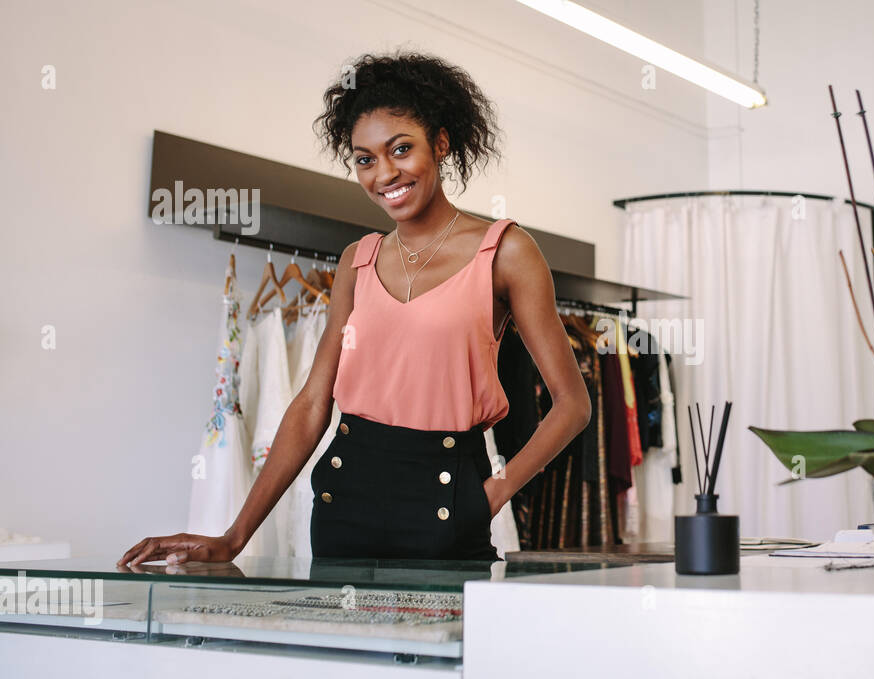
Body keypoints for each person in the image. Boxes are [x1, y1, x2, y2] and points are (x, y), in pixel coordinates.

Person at [120, 53, 590, 566]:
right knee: (341, 646)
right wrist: (235, 537)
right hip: (343, 500)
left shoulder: (505, 251)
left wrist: (491, 496)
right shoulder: (356, 261)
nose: (384, 173)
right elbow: (312, 404)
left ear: (441, 143)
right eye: (365, 159)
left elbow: (572, 404)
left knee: (443, 647)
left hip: (449, 499)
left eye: (401, 149)